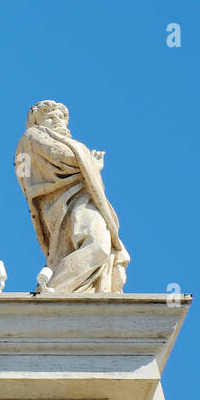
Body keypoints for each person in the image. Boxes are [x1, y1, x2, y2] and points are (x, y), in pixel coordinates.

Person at [15, 100, 129, 293]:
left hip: (82, 199)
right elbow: (60, 156)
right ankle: (52, 291)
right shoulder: (32, 136)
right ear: (37, 123)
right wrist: (90, 163)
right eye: (50, 117)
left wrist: (93, 168)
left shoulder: (64, 141)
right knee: (98, 247)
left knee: (100, 247)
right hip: (62, 204)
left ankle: (70, 292)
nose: (57, 121)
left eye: (60, 117)